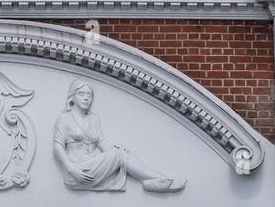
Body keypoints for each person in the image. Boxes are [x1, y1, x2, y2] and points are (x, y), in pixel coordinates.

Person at [52, 80, 184, 193]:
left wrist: (114, 149)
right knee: (118, 154)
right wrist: (72, 168)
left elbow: (101, 142)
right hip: (77, 173)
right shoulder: (65, 118)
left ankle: (155, 180)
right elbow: (58, 146)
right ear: (72, 97)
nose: (86, 98)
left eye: (89, 95)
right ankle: (156, 179)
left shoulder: (94, 119)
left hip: (94, 166)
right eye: (81, 94)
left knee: (120, 151)